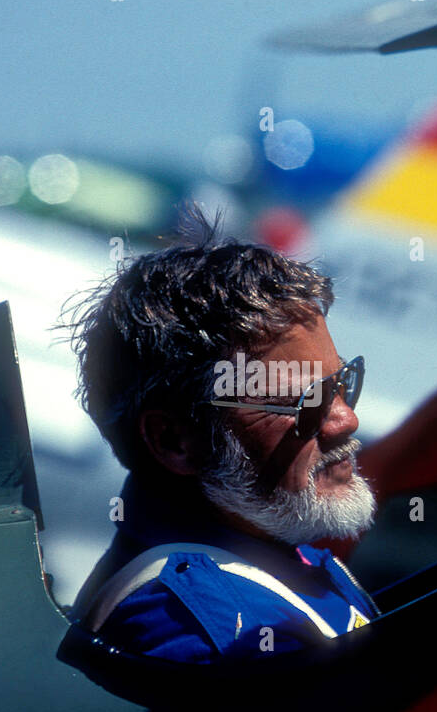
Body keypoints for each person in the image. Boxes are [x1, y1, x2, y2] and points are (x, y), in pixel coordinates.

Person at [65, 207, 380, 663]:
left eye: (342, 383)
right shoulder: (214, 633)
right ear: (177, 441)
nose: (345, 420)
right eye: (303, 402)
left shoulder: (267, 543)